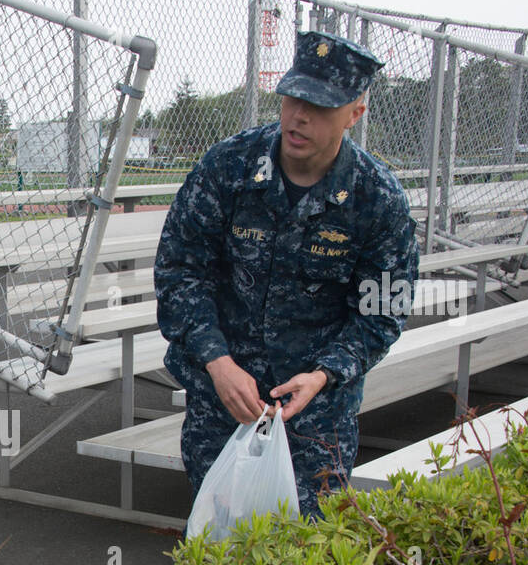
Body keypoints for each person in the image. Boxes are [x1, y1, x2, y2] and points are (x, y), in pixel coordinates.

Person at [155, 30, 419, 522]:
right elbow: (180, 273)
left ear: (354, 114)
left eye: (319, 107)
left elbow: (381, 314)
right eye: (294, 98)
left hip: (317, 414)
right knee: (221, 549)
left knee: (310, 557)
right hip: (224, 401)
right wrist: (218, 362)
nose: (299, 116)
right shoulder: (227, 167)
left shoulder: (378, 200)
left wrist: (323, 375)